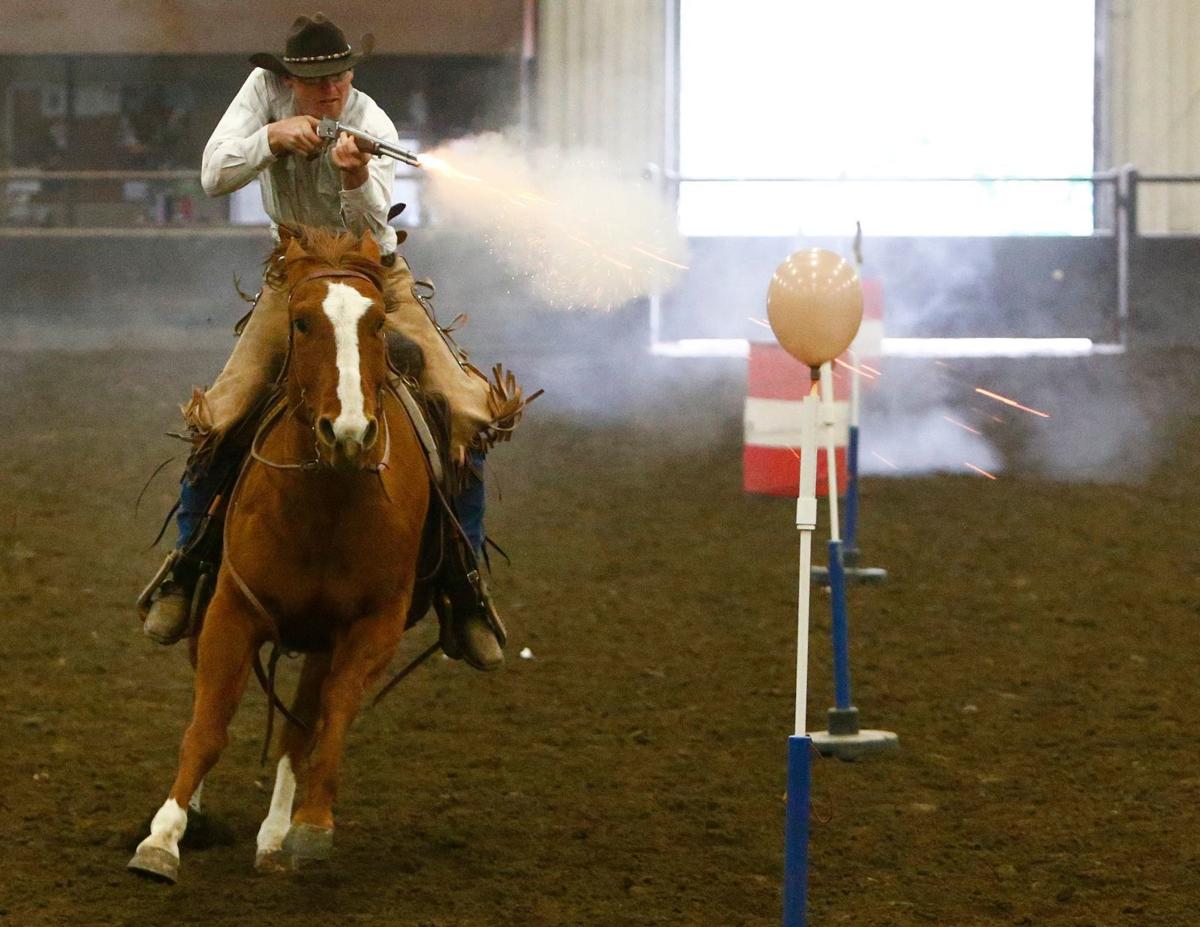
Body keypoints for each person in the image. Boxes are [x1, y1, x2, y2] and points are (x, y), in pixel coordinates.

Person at [139, 13, 524, 670]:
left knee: (467, 408)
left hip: (376, 276)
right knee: (222, 410)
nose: (333, 93)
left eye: (341, 79)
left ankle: (465, 587)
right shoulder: (260, 96)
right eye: (318, 85)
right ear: (289, 81)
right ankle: (187, 564)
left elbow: (375, 226)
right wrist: (271, 137)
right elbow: (214, 174)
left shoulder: (371, 122)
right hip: (293, 278)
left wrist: (351, 180)